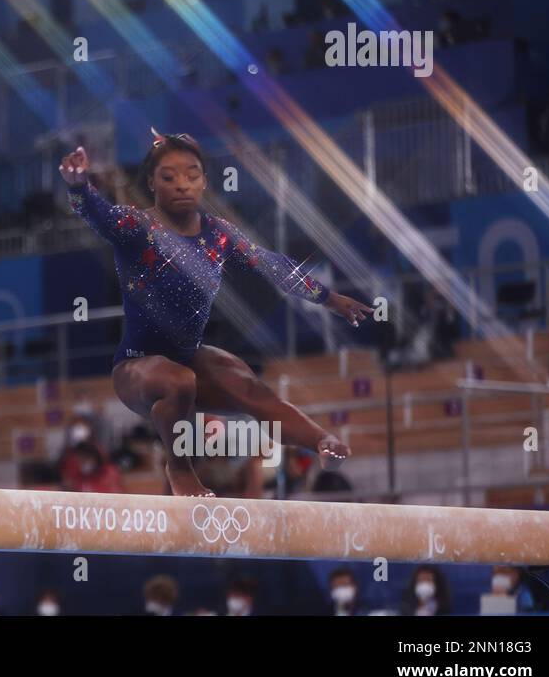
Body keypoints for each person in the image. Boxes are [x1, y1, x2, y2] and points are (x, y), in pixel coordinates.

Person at [60, 133, 370, 496]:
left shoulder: (219, 234)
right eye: (168, 176)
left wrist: (328, 297)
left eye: (191, 175)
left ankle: (321, 442)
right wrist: (79, 187)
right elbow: (100, 216)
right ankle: (179, 469)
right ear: (151, 183)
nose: (181, 185)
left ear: (204, 181)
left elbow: (273, 266)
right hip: (136, 368)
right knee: (179, 382)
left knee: (249, 387)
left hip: (190, 357)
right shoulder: (137, 227)